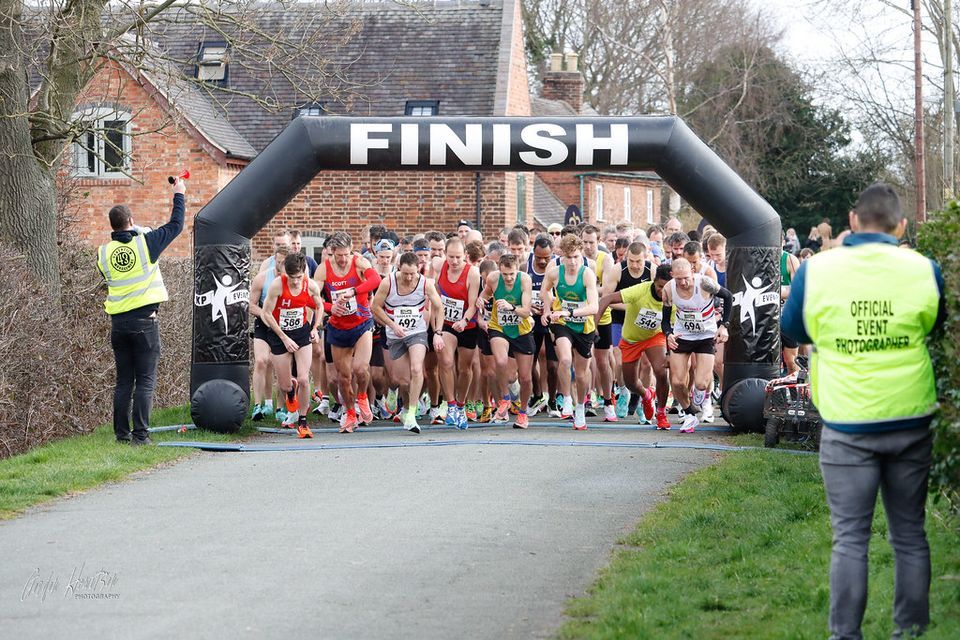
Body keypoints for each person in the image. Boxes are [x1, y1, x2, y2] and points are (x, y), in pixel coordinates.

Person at [782, 183, 944, 640]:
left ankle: (845, 636)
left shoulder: (816, 272)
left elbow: (791, 329)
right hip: (910, 417)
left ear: (853, 222)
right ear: (902, 226)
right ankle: (910, 633)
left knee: (851, 537)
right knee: (909, 534)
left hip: (847, 421)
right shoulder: (924, 270)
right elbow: (937, 324)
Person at [98, 178, 185, 445]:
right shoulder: (145, 244)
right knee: (145, 381)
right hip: (145, 323)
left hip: (118, 325)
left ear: (111, 225)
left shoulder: (104, 252)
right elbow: (175, 225)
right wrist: (179, 193)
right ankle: (141, 437)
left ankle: (121, 436)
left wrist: (132, 231)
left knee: (124, 382)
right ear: (131, 220)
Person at [371, 251, 445, 433]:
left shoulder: (425, 283)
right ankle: (405, 407)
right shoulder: (388, 282)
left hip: (417, 332)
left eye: (413, 273)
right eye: (405, 274)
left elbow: (439, 307)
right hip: (395, 334)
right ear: (398, 269)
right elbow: (375, 307)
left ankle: (411, 414)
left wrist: (437, 333)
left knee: (417, 369)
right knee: (401, 380)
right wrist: (391, 324)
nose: (409, 277)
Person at [315, 231, 382, 433]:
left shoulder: (359, 262)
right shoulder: (323, 269)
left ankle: (362, 397)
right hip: (338, 327)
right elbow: (312, 297)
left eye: (346, 254)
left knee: (360, 369)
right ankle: (350, 414)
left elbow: (376, 280)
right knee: (343, 377)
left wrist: (354, 290)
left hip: (361, 323)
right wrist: (329, 307)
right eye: (339, 255)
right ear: (331, 252)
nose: (343, 259)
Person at [660, 258, 732, 433]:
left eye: (686, 278)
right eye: (678, 279)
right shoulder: (669, 289)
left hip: (705, 335)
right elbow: (664, 321)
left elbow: (728, 297)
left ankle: (703, 394)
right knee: (677, 381)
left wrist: (724, 326)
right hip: (682, 335)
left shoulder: (705, 283)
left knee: (700, 383)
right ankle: (690, 414)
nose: (683, 283)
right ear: (672, 276)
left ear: (692, 272)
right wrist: (668, 334)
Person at [260, 253, 325, 438]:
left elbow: (319, 306)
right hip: (279, 334)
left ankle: (303, 422)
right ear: (285, 274)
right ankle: (290, 394)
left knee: (304, 379)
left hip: (301, 332)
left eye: (299, 277)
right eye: (292, 278)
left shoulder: (310, 284)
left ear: (304, 272)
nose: (296, 282)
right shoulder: (277, 286)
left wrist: (315, 328)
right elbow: (266, 314)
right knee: (285, 384)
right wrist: (283, 338)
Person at [597, 264, 670, 429]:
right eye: (659, 286)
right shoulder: (641, 290)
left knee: (661, 371)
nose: (662, 291)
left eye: (666, 288)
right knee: (630, 383)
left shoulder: (673, 297)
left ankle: (661, 413)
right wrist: (594, 327)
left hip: (655, 336)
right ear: (654, 282)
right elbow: (606, 299)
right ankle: (646, 394)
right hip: (632, 339)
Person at [540, 233, 599, 430]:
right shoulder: (555, 273)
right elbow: (544, 291)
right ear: (562, 256)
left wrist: (570, 311)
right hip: (562, 322)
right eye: (569, 257)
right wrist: (548, 310)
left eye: (576, 257)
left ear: (581, 255)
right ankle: (566, 398)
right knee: (564, 360)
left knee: (582, 374)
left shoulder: (587, 274)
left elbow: (594, 307)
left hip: (583, 325)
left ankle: (580, 407)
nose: (573, 262)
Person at [429, 237, 481, 429]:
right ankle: (450, 404)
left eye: (458, 257)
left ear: (465, 256)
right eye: (451, 257)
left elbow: (473, 303)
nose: (454, 261)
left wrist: (464, 320)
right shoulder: (438, 264)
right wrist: (433, 291)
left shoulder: (472, 273)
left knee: (465, 368)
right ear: (445, 255)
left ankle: (460, 405)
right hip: (447, 323)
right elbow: (430, 273)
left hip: (467, 324)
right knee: (446, 361)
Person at [480, 253, 535, 428]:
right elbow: (485, 294)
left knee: (525, 378)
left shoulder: (525, 280)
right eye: (505, 274)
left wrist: (511, 307)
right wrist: (480, 301)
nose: (509, 278)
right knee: (501, 360)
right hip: (499, 327)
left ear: (517, 270)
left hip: (521, 329)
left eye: (512, 274)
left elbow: (526, 311)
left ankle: (523, 413)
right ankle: (504, 398)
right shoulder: (493, 279)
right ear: (500, 271)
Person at [248, 244, 288, 421]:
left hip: (285, 324)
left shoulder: (296, 278)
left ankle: (280, 408)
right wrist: (265, 315)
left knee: (281, 367)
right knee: (261, 361)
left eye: (285, 262)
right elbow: (250, 305)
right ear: (274, 260)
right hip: (264, 324)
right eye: (279, 262)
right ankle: (258, 405)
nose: (281, 266)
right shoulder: (263, 278)